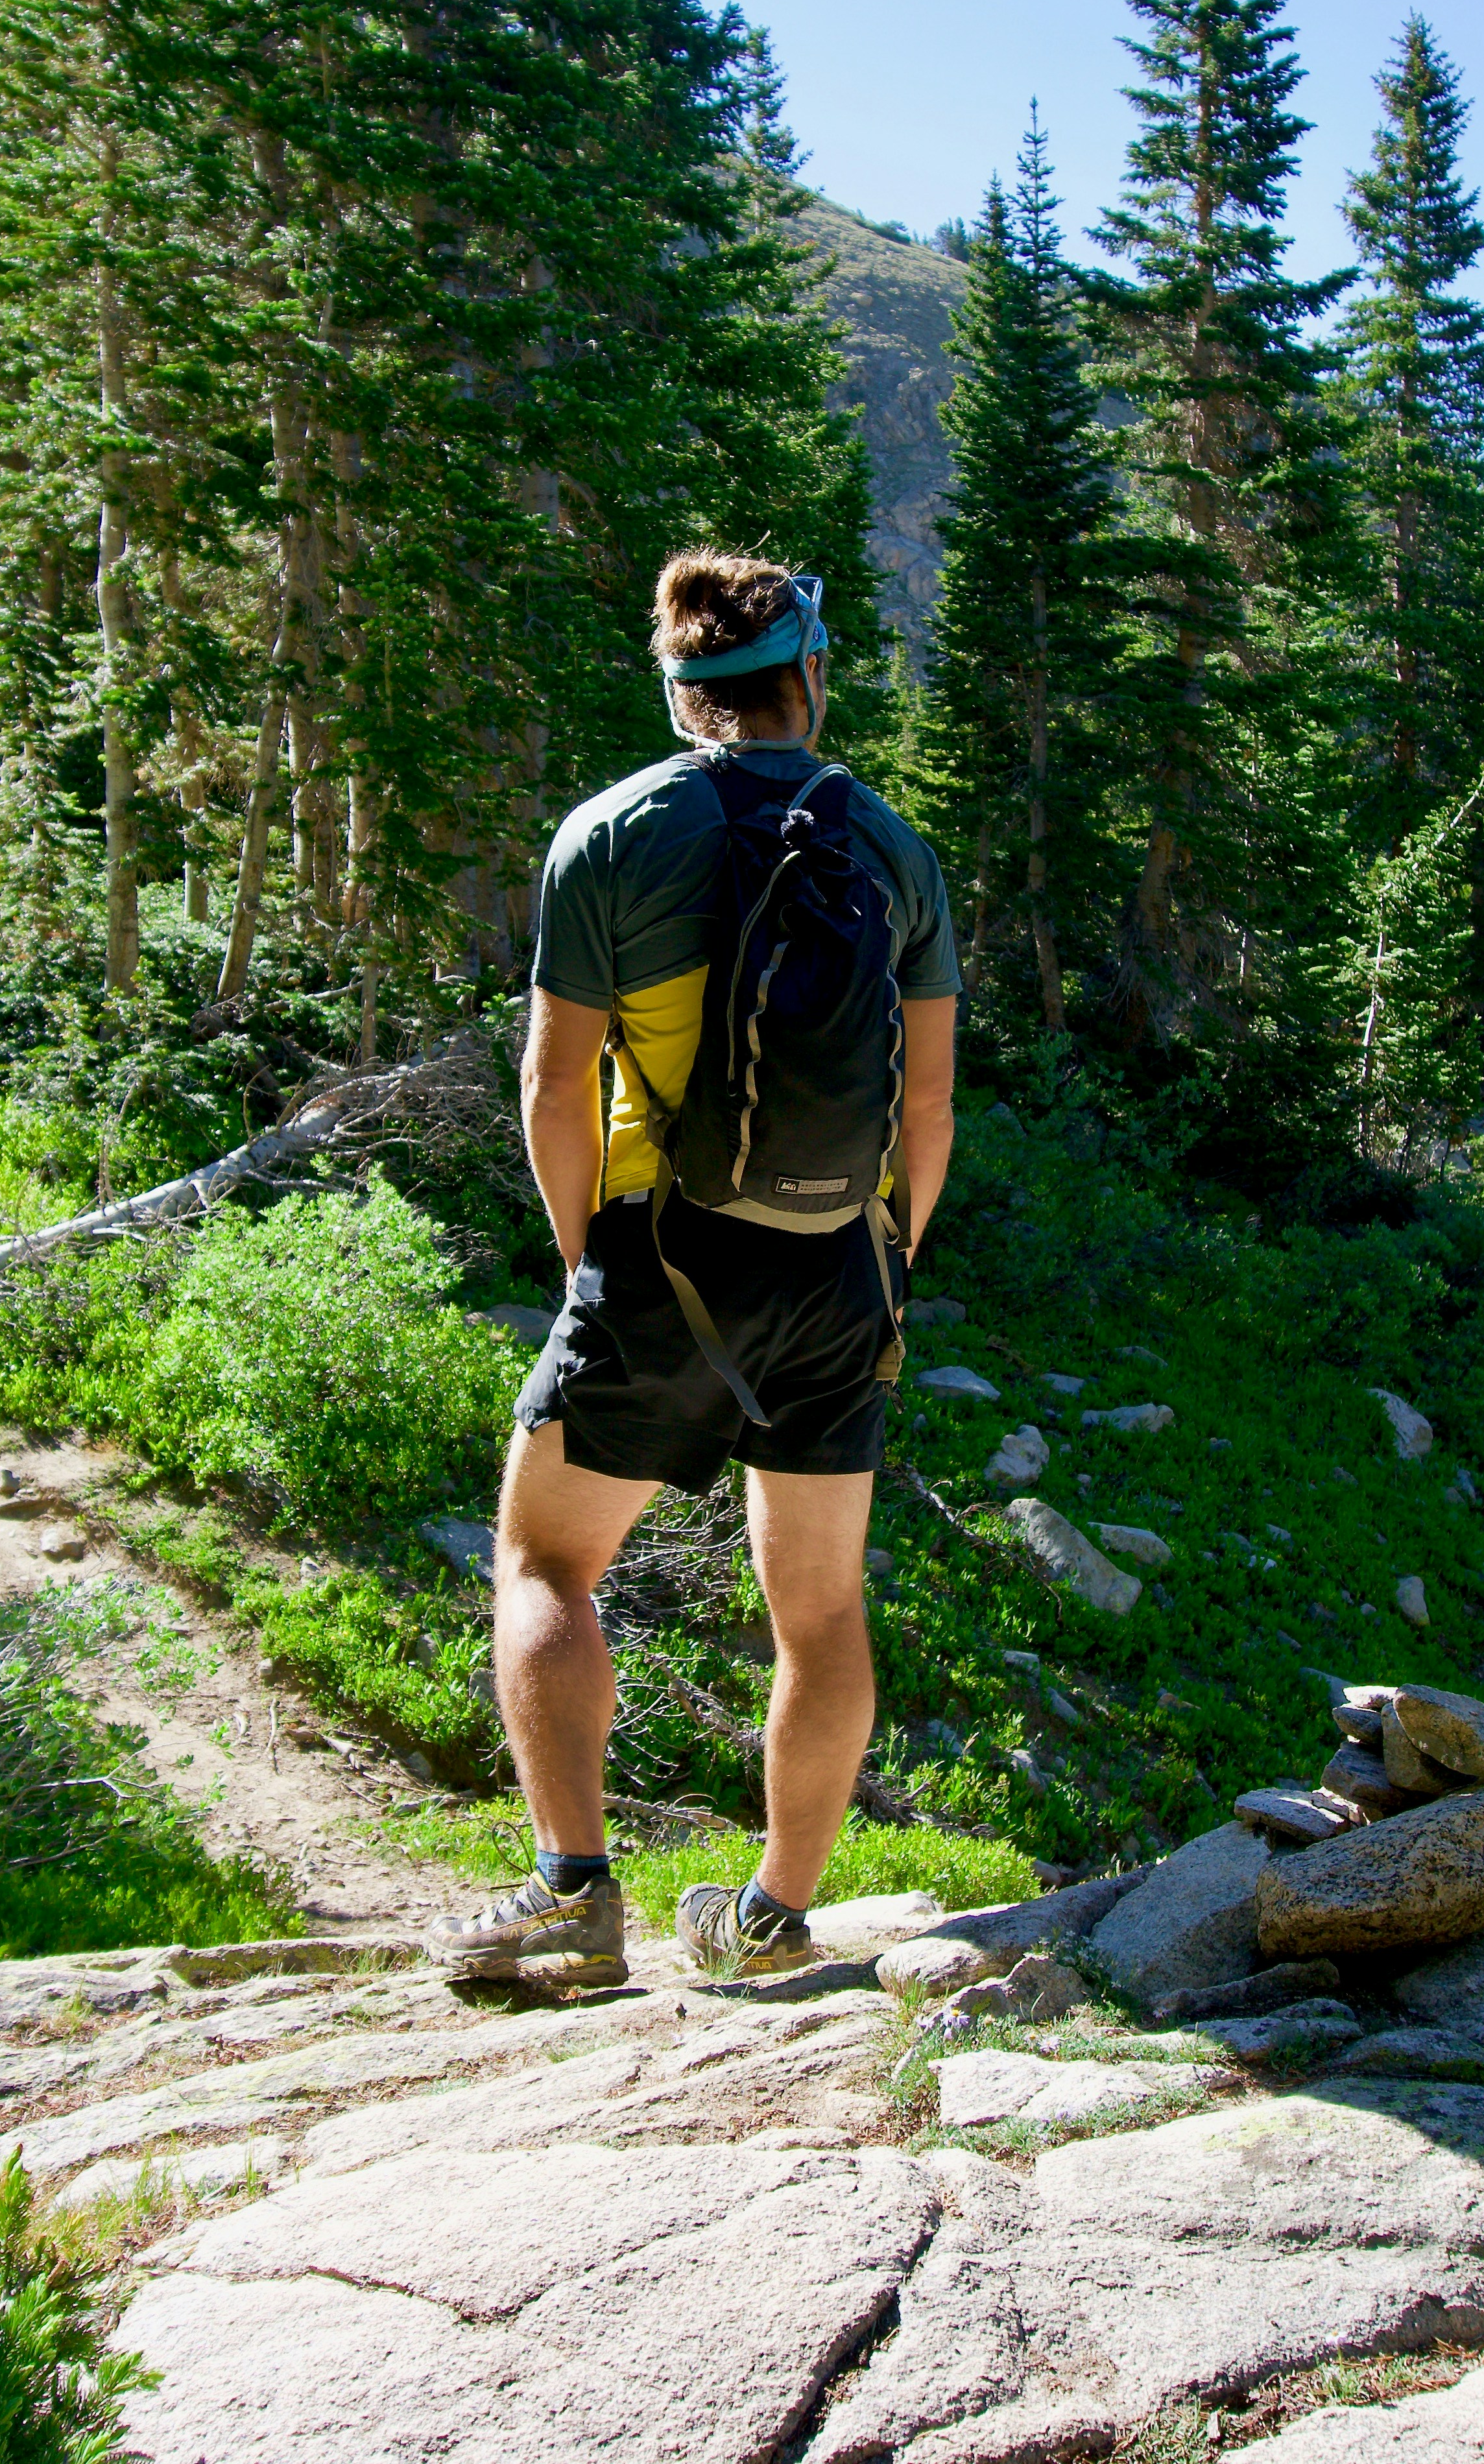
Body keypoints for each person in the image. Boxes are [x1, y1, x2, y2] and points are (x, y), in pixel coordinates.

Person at [425, 551, 958, 1988]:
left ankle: (573, 1894)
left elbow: (554, 1081)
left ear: (681, 689)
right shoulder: (896, 847)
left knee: (545, 1553)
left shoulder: (611, 830)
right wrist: (883, 1260)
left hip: (664, 1252)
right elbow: (929, 1112)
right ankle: (774, 1919)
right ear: (813, 676)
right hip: (844, 1268)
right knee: (823, 1607)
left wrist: (591, 1255)